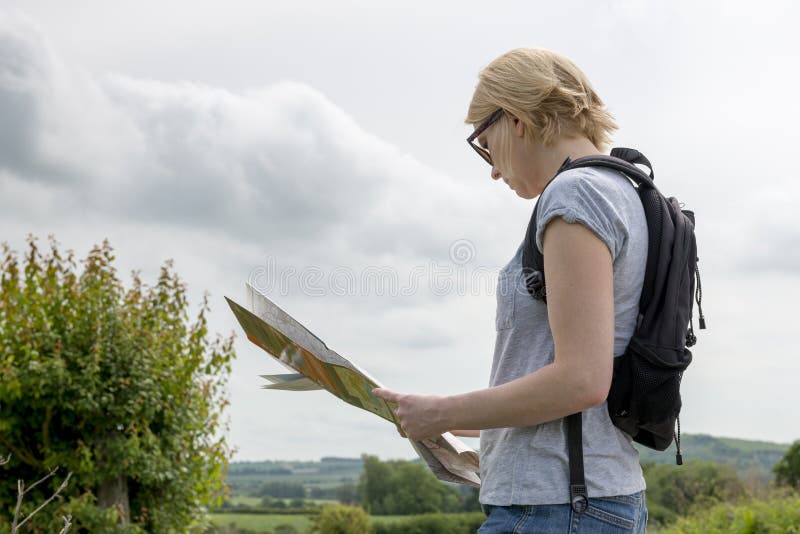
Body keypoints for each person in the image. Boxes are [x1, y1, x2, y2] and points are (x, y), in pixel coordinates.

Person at [373, 48, 649, 533]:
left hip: (556, 506)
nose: (492, 169)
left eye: (485, 142)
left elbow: (582, 380)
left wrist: (442, 411)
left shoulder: (575, 194)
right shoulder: (626, 191)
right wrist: (442, 420)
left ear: (516, 120)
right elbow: (574, 386)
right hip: (583, 500)